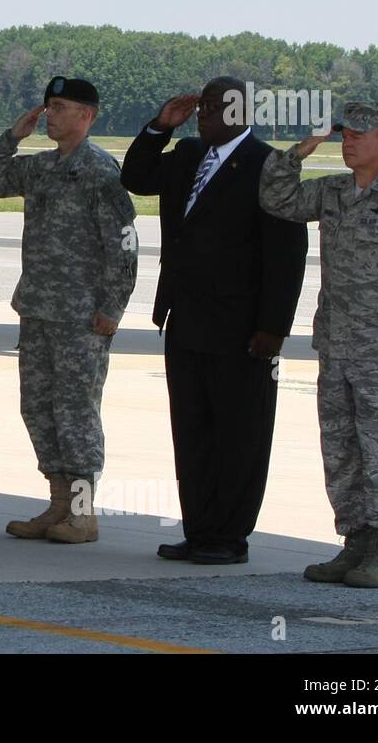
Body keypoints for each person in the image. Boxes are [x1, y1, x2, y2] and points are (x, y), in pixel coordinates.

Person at [120, 77, 307, 564]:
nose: (201, 114)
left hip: (242, 330)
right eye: (200, 106)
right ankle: (200, 529)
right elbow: (136, 177)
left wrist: (273, 329)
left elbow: (287, 254)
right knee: (193, 430)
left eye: (212, 107)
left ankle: (230, 536)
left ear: (241, 112)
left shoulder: (269, 166)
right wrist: (160, 127)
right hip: (186, 320)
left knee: (239, 434)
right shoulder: (187, 154)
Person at [260, 102, 378, 588]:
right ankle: (352, 544)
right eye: (344, 136)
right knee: (340, 450)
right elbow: (277, 200)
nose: (349, 143)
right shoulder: (334, 192)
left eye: (359, 136)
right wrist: (302, 148)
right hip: (337, 346)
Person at [0, 76, 137, 543]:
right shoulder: (43, 167)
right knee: (38, 408)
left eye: (62, 107)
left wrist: (112, 306)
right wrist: (12, 136)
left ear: (87, 116)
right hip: (39, 309)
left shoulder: (100, 171)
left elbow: (124, 246)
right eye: (48, 106)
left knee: (77, 413)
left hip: (81, 316)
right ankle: (59, 504)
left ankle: (83, 515)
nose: (51, 114)